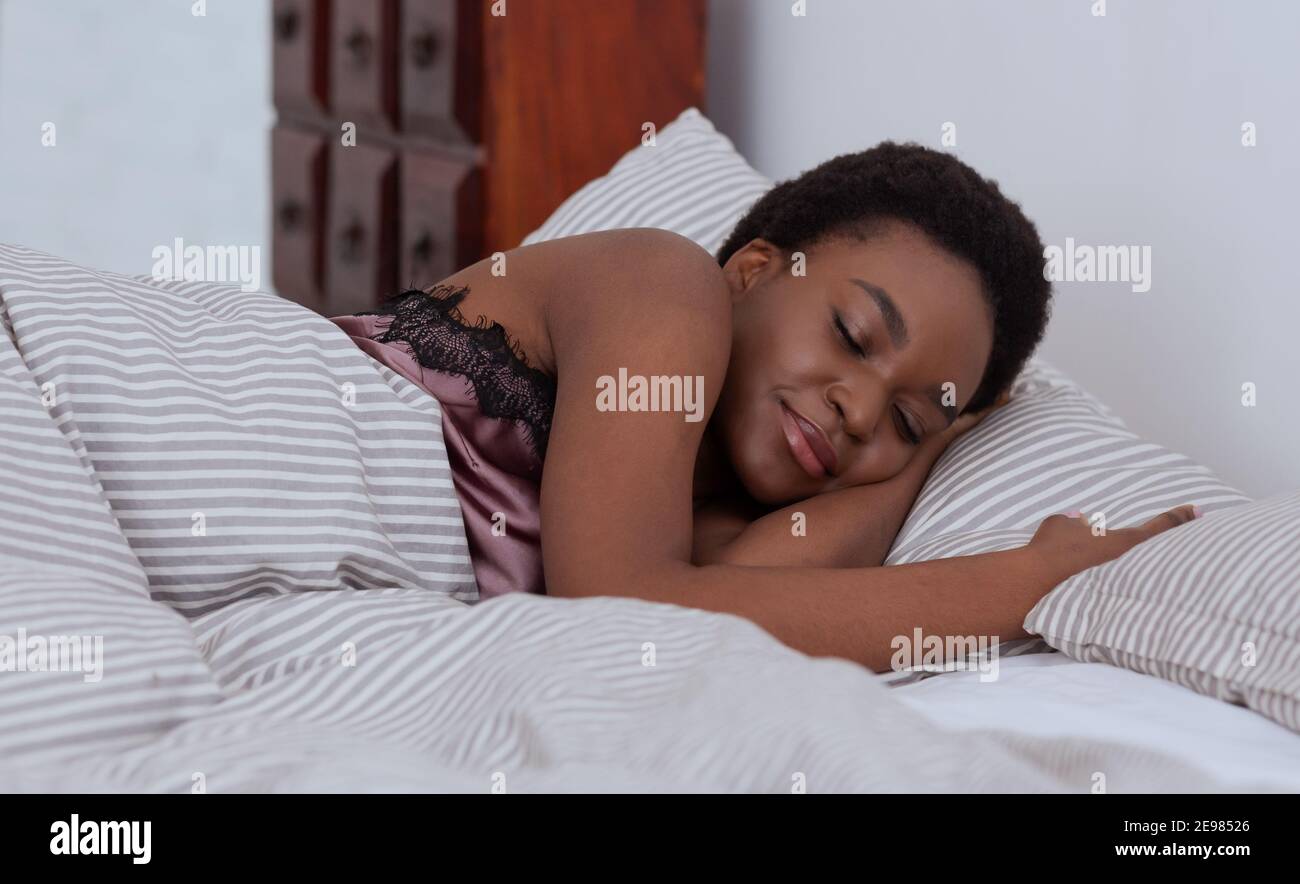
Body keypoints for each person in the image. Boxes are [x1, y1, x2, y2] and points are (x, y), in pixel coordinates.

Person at [330, 142, 1198, 673]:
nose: (859, 410)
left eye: (903, 420)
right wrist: (1027, 582)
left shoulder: (695, 531)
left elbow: (740, 612)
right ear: (751, 272)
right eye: (855, 336)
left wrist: (934, 447)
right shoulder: (665, 287)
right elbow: (618, 614)